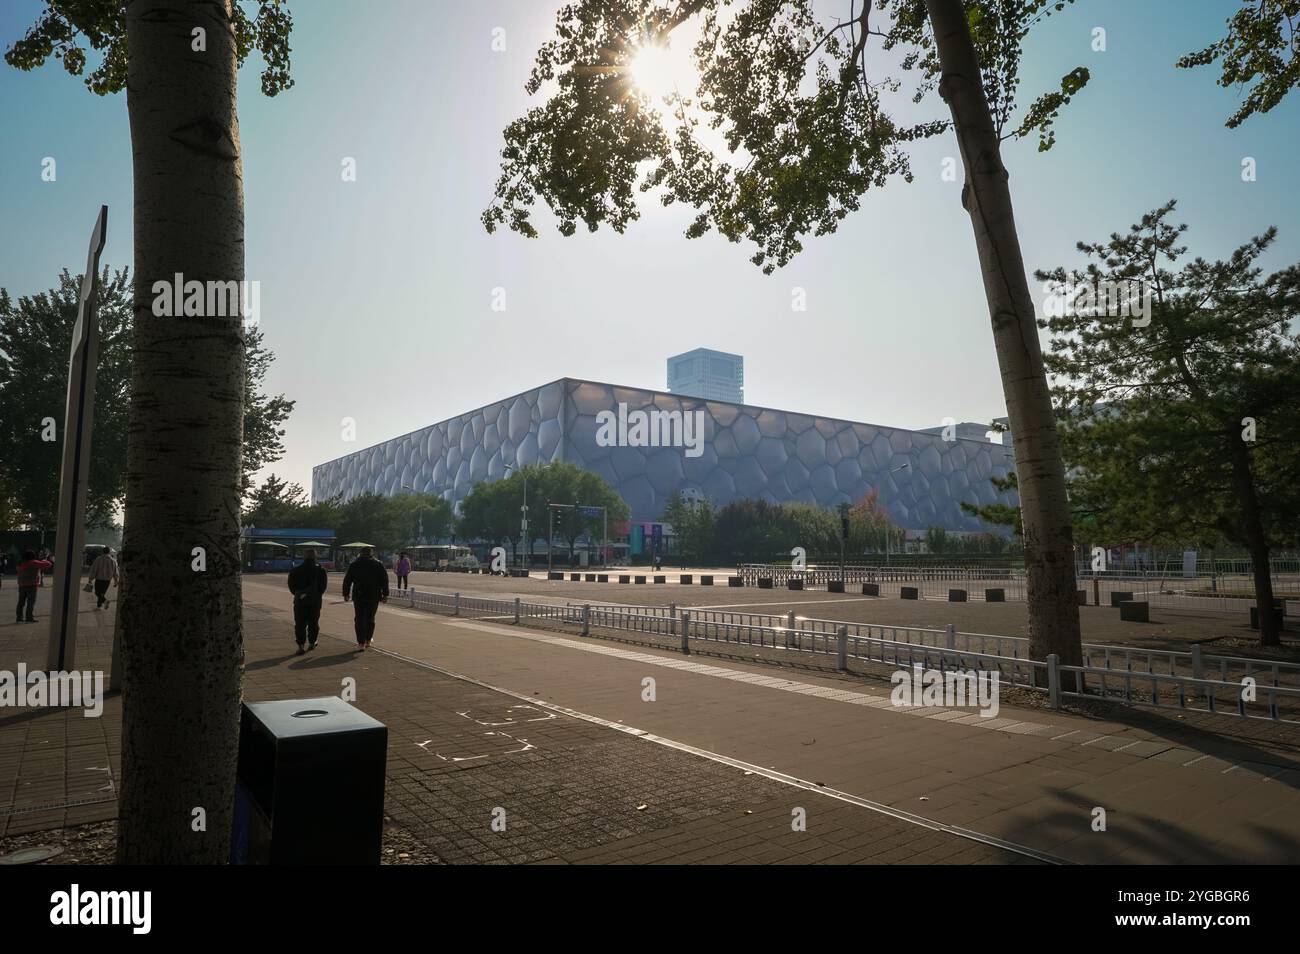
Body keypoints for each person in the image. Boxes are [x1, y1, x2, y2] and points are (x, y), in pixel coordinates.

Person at [341, 546, 388, 651]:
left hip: (359, 595)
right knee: (370, 618)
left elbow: (347, 580)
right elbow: (384, 580)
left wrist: (346, 593)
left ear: (360, 553)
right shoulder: (378, 564)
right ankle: (368, 639)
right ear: (371, 553)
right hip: (373, 595)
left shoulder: (354, 565)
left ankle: (360, 642)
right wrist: (385, 594)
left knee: (359, 618)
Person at [287, 549, 328, 654]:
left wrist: (299, 594)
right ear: (315, 557)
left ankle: (300, 645)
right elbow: (323, 586)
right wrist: (317, 594)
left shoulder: (296, 570)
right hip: (315, 601)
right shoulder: (321, 570)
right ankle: (312, 642)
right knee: (313, 622)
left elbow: (291, 585)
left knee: (300, 623)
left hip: (300, 601)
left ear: (304, 557)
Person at [15, 550, 53, 623]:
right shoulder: (34, 562)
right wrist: (43, 560)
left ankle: (19, 618)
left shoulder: (20, 563)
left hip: (22, 585)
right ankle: (29, 617)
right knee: (30, 602)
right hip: (31, 585)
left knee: (21, 602)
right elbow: (49, 564)